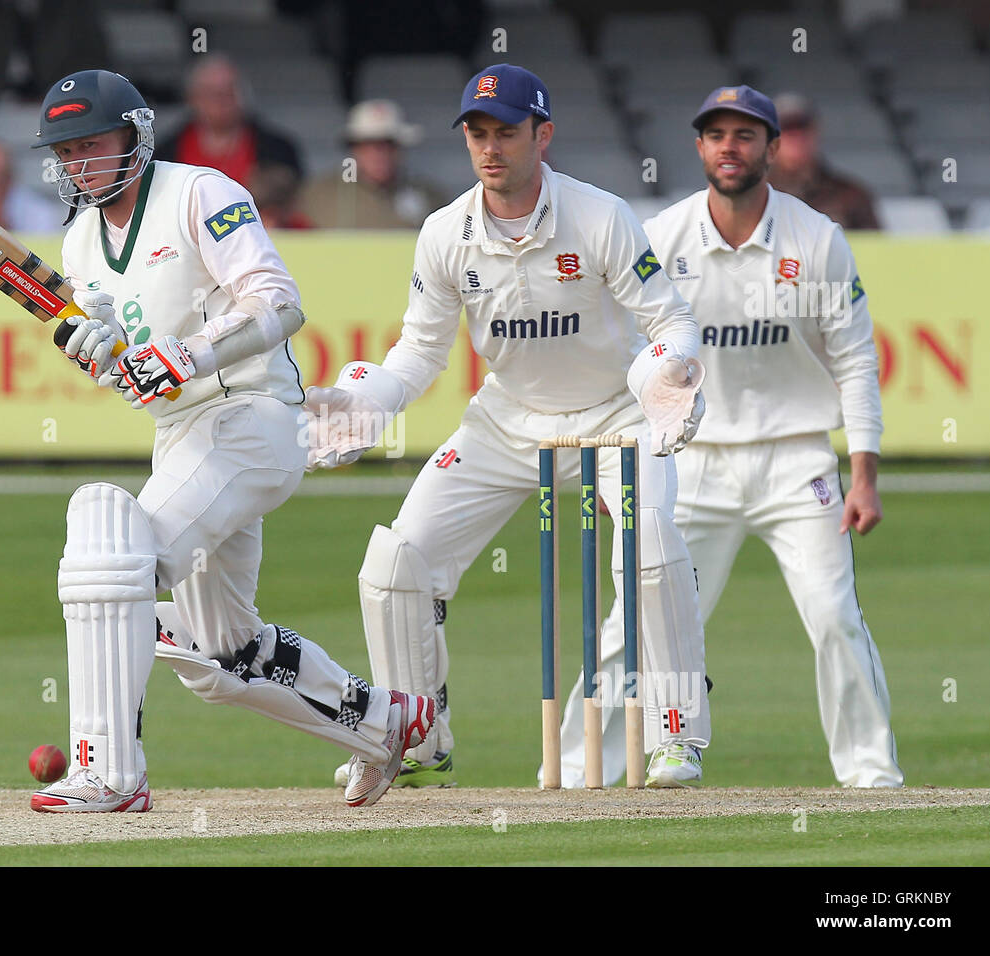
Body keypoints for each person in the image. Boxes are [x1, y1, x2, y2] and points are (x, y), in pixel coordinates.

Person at [27, 69, 435, 813]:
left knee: (109, 544)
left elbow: (278, 303)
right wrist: (104, 357)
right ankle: (386, 722)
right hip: (182, 437)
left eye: (92, 144)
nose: (78, 163)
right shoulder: (81, 240)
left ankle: (110, 771)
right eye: (66, 151)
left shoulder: (199, 193)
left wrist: (187, 353)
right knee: (223, 655)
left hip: (252, 421)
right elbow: (134, 380)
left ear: (136, 138)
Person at [305, 64, 712, 790]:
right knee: (396, 563)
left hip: (614, 416)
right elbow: (422, 349)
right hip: (507, 419)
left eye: (507, 133)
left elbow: (670, 320)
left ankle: (676, 730)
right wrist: (369, 399)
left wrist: (669, 373)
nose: (491, 148)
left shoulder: (599, 217)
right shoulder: (444, 233)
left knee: (649, 545)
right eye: (478, 134)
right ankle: (415, 732)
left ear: (543, 134)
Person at [566, 86, 902, 788]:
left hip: (797, 460)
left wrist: (864, 474)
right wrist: (613, 464)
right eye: (715, 134)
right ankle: (584, 768)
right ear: (698, 147)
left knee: (835, 616)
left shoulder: (816, 238)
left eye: (745, 135)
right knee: (634, 619)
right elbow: (621, 352)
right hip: (689, 459)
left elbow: (855, 359)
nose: (729, 146)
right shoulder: (663, 237)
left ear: (772, 149)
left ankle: (871, 774)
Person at [155, 55, 302, 196]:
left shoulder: (279, 150)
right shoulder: (165, 154)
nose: (221, 100)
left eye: (229, 91)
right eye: (210, 92)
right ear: (191, 98)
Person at [301, 99, 447, 228]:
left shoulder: (431, 198)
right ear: (354, 149)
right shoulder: (319, 196)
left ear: (401, 148)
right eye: (368, 144)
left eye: (389, 144)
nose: (379, 154)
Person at [767, 93, 880, 231]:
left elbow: (874, 248)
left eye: (802, 127)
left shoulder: (851, 197)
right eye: (787, 129)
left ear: (816, 131)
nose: (797, 136)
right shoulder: (754, 195)